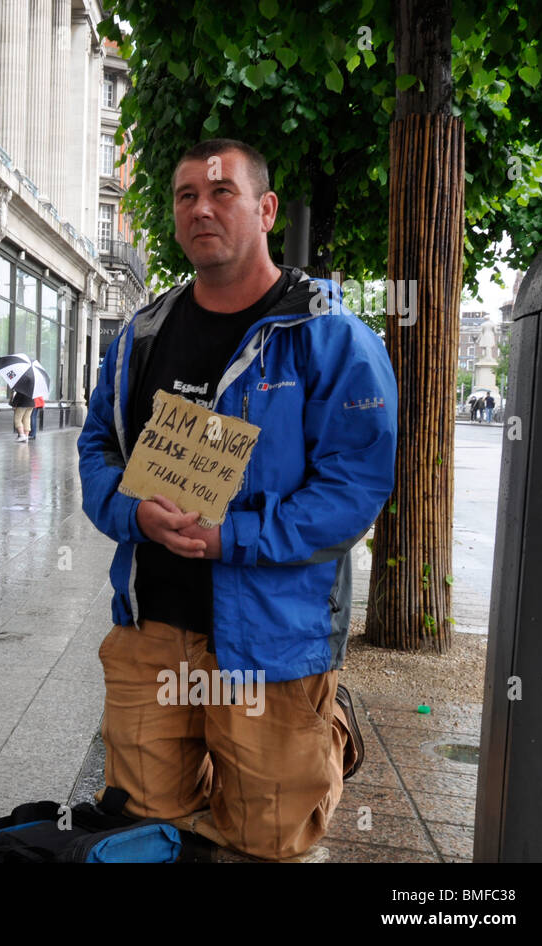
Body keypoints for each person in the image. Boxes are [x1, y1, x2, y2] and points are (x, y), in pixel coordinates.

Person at [78, 138, 398, 860]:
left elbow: (354, 487)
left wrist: (235, 537)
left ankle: (327, 731)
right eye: (186, 195)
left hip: (272, 634)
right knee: (143, 824)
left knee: (270, 838)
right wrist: (132, 512)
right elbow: (98, 446)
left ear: (266, 209)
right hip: (154, 624)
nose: (201, 209)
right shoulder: (141, 335)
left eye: (222, 192)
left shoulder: (332, 337)